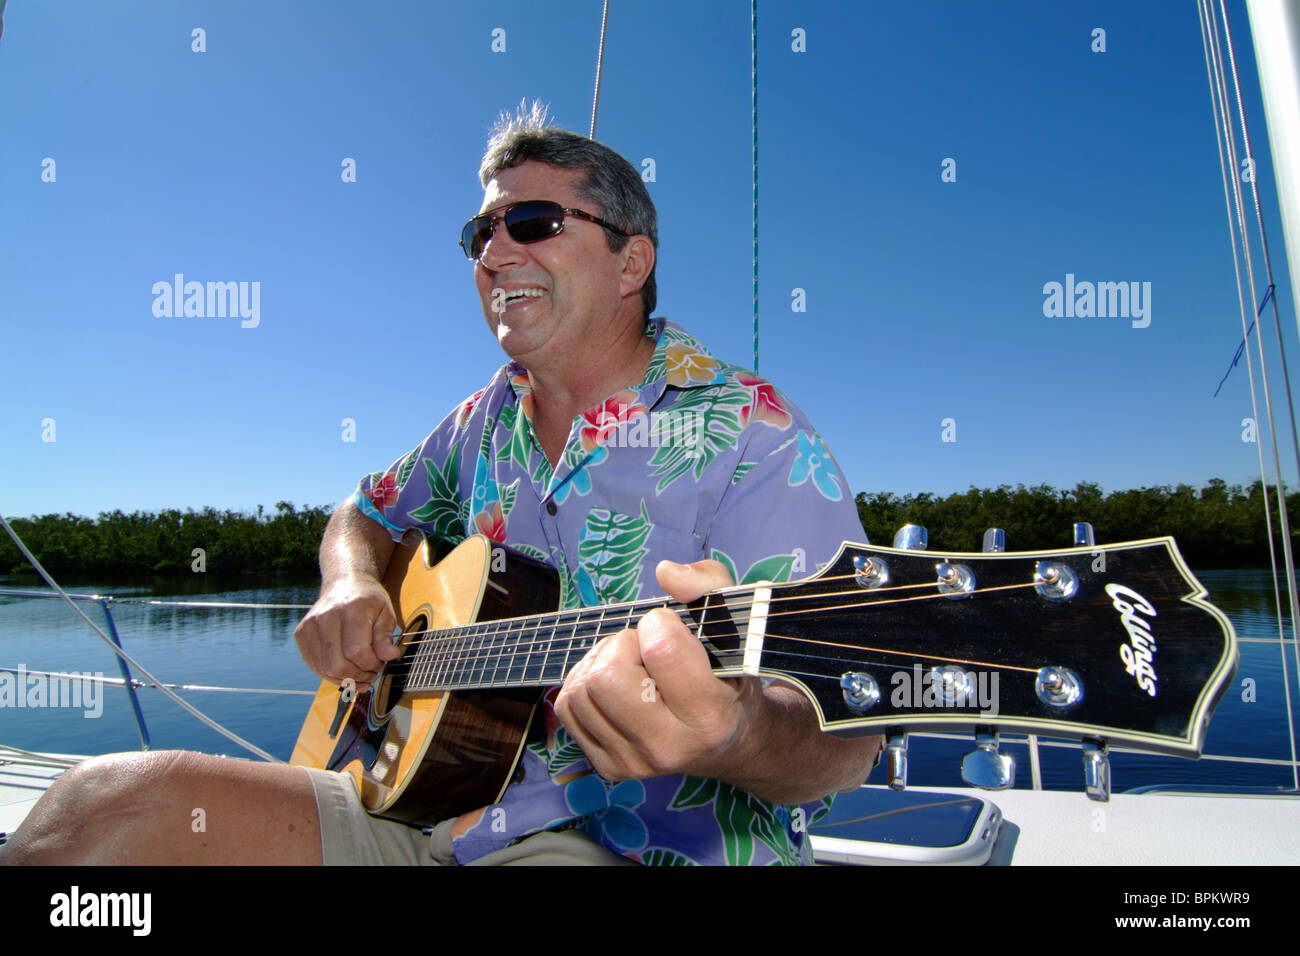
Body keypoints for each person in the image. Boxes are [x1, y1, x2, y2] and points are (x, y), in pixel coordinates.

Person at [2, 103, 879, 866]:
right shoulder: (478, 421)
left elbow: (850, 738)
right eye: (480, 234)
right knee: (98, 811)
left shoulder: (753, 434)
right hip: (424, 805)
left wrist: (734, 730)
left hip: (632, 848)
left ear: (630, 261)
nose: (494, 253)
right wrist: (349, 580)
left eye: (531, 222)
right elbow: (364, 510)